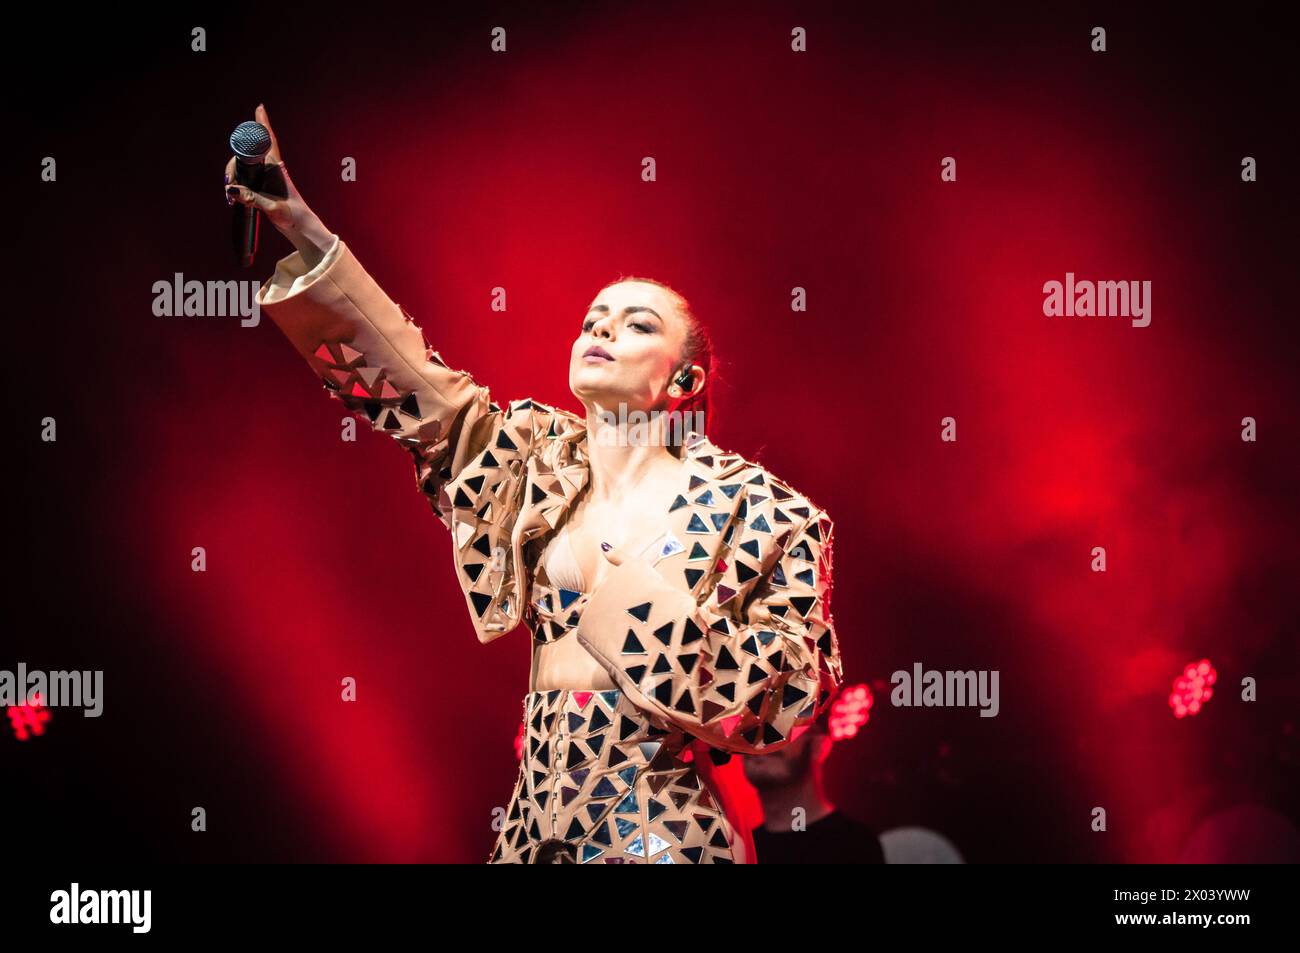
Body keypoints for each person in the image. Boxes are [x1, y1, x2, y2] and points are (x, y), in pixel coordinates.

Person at [226, 104, 844, 864]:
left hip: (666, 832)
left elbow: (782, 702)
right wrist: (304, 226)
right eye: (594, 318)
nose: (602, 330)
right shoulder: (536, 460)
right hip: (534, 830)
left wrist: (633, 594)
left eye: (636, 324)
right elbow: (414, 385)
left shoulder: (766, 512)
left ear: (682, 378)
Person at [744, 716, 884, 863]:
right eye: (751, 729)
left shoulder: (854, 845)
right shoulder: (741, 850)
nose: (762, 741)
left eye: (780, 727)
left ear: (819, 746)